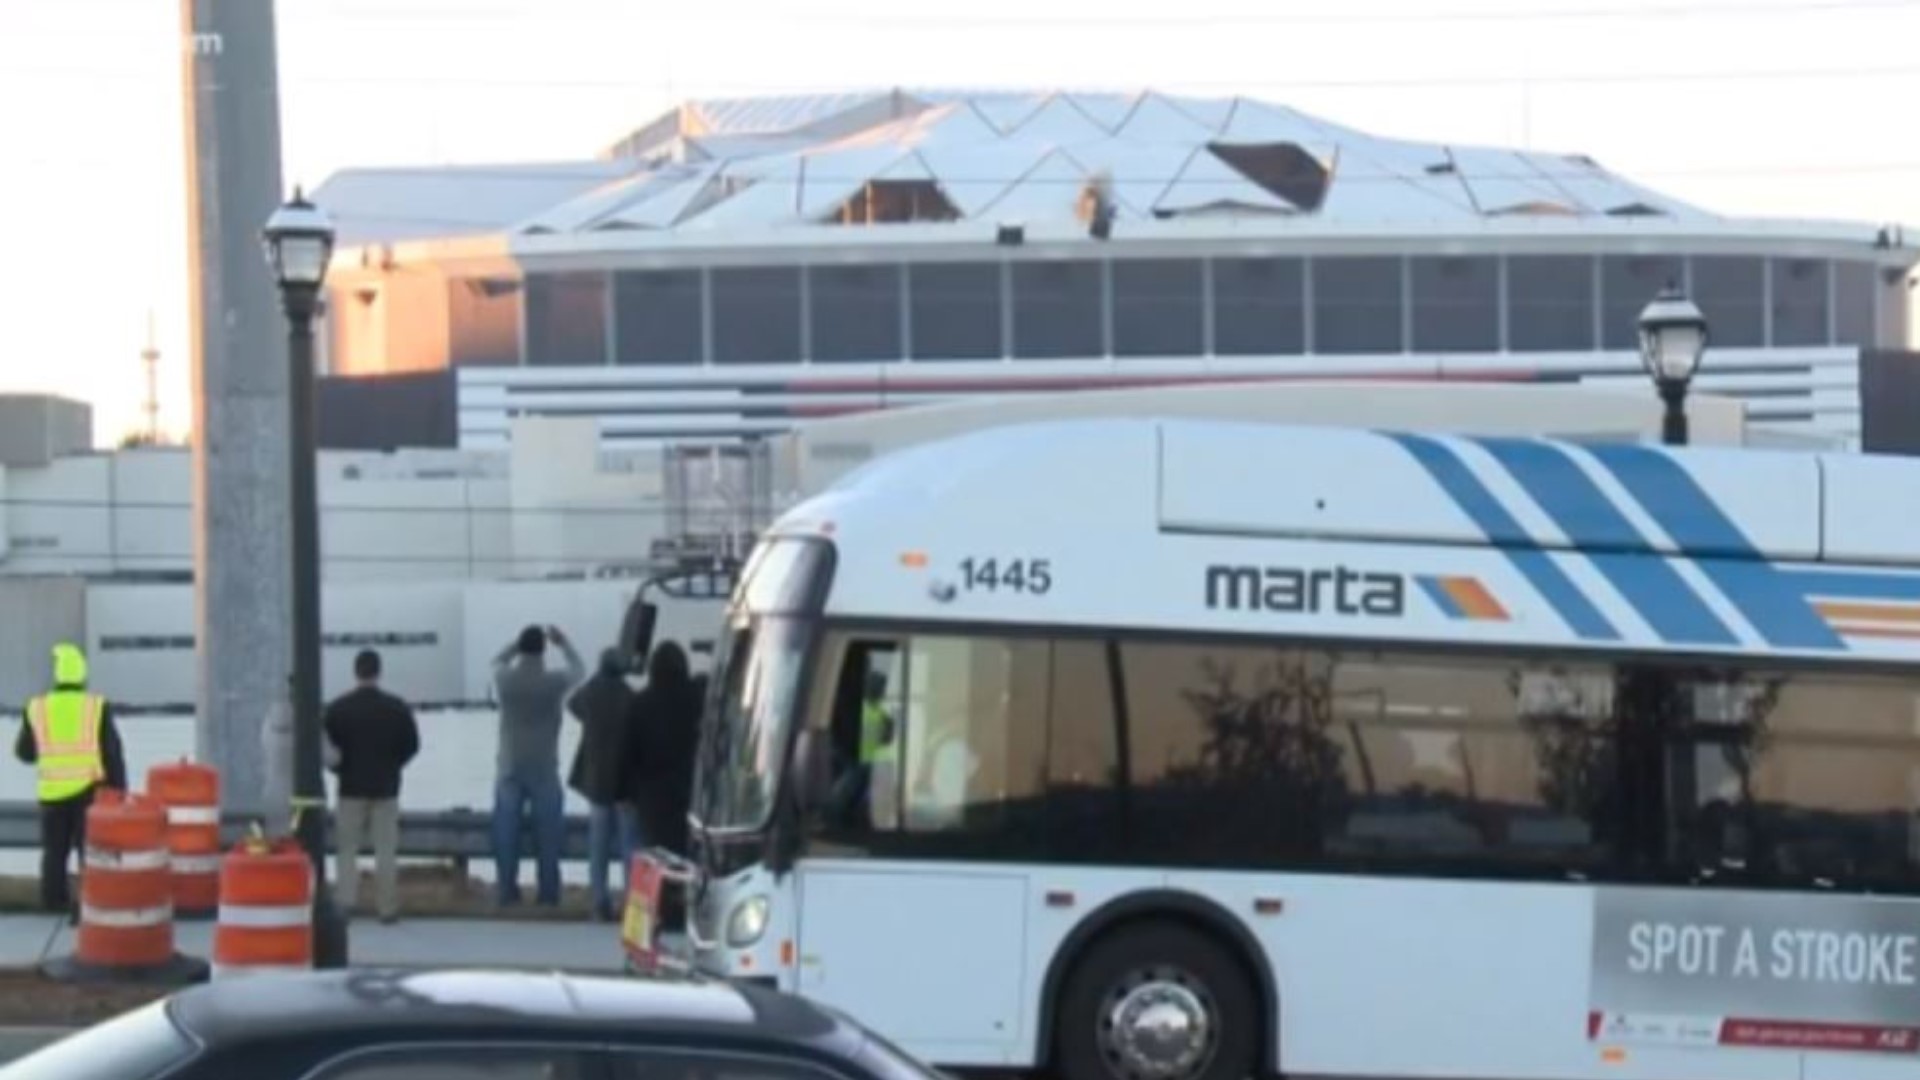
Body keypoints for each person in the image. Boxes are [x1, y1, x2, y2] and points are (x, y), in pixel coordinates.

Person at [16, 643, 127, 917]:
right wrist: (119, 790)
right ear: (81, 676)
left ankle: (53, 901)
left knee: (55, 851)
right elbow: (111, 752)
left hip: (51, 792)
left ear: (57, 675)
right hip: (89, 791)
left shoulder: (37, 708)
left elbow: (24, 752)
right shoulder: (96, 707)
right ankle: (90, 901)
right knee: (88, 850)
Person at [322, 649, 421, 924]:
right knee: (386, 851)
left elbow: (327, 749)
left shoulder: (338, 709)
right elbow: (412, 746)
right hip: (387, 788)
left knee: (347, 850)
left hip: (350, 788)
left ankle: (346, 903)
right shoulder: (397, 708)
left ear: (356, 672)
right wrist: (393, 765)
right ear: (379, 671)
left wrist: (340, 769)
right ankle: (387, 908)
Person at [491, 624, 584, 907]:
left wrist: (514, 646)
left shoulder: (505, 679)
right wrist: (563, 642)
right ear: (543, 651)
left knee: (506, 830)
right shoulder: (553, 682)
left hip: (510, 764)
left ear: (521, 650)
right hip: (544, 765)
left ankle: (507, 890)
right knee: (549, 834)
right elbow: (579, 670)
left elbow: (496, 661)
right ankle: (548, 893)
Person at [624, 641, 703, 930]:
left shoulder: (641, 703)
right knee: (687, 852)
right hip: (690, 787)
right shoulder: (696, 699)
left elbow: (628, 751)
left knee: (657, 853)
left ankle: (658, 911)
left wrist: (628, 791)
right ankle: (686, 910)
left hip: (652, 793)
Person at [567, 647, 640, 922]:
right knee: (629, 847)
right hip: (625, 781)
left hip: (596, 779)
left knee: (597, 846)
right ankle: (631, 904)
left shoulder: (591, 694)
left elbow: (572, 705)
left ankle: (599, 902)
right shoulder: (630, 697)